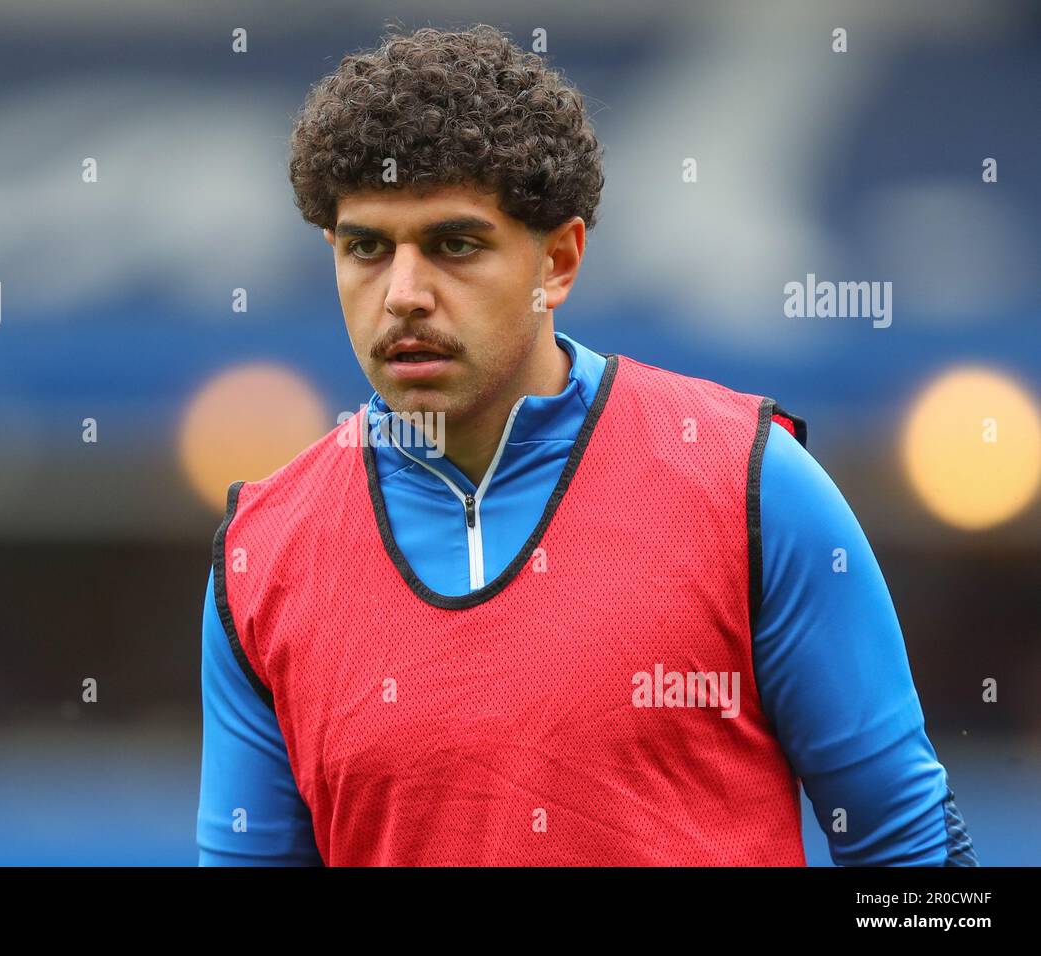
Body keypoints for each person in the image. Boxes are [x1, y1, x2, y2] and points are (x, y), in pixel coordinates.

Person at [196, 24, 977, 866]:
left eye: (455, 245)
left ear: (558, 261)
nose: (405, 295)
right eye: (368, 249)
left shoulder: (749, 484)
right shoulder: (261, 553)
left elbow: (913, 856)